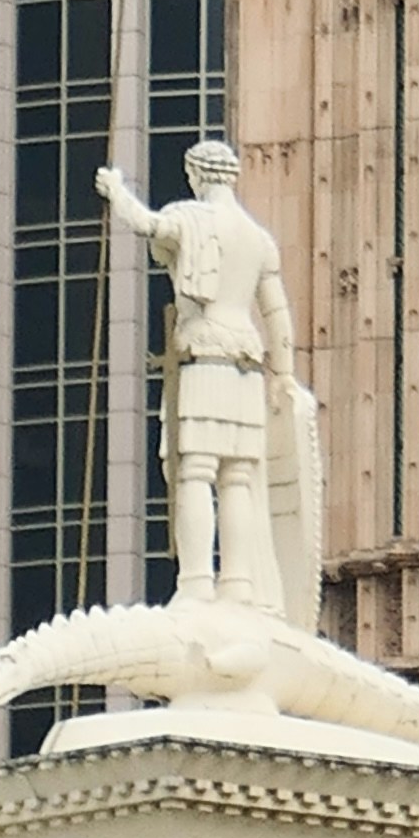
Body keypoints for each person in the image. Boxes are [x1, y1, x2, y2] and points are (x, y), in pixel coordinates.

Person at [96, 137, 302, 611]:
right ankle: (238, 582)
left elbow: (150, 224)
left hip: (205, 354)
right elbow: (277, 316)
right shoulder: (257, 238)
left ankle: (194, 581)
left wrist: (117, 191)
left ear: (197, 175)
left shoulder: (191, 218)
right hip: (248, 363)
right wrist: (284, 374)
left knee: (196, 471)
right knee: (236, 478)